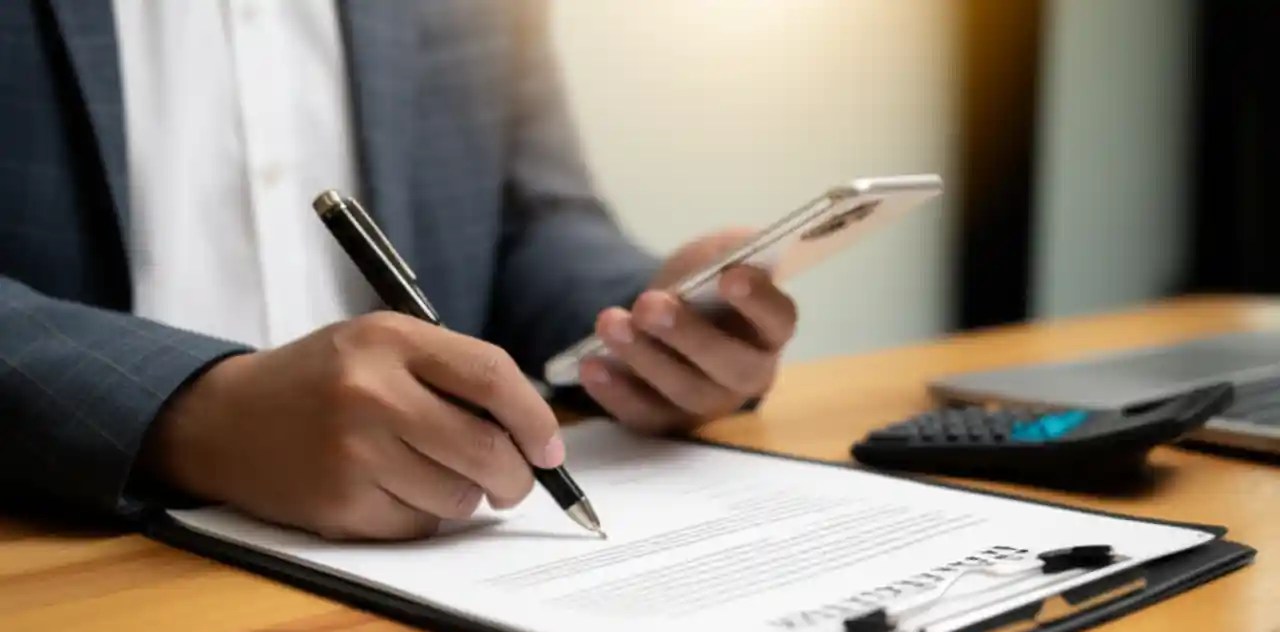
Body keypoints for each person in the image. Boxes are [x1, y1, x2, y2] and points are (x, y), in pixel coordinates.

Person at [0, 1, 797, 539]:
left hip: (426, 557)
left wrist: (651, 323)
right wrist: (195, 412)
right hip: (77, 549)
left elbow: (529, 216)